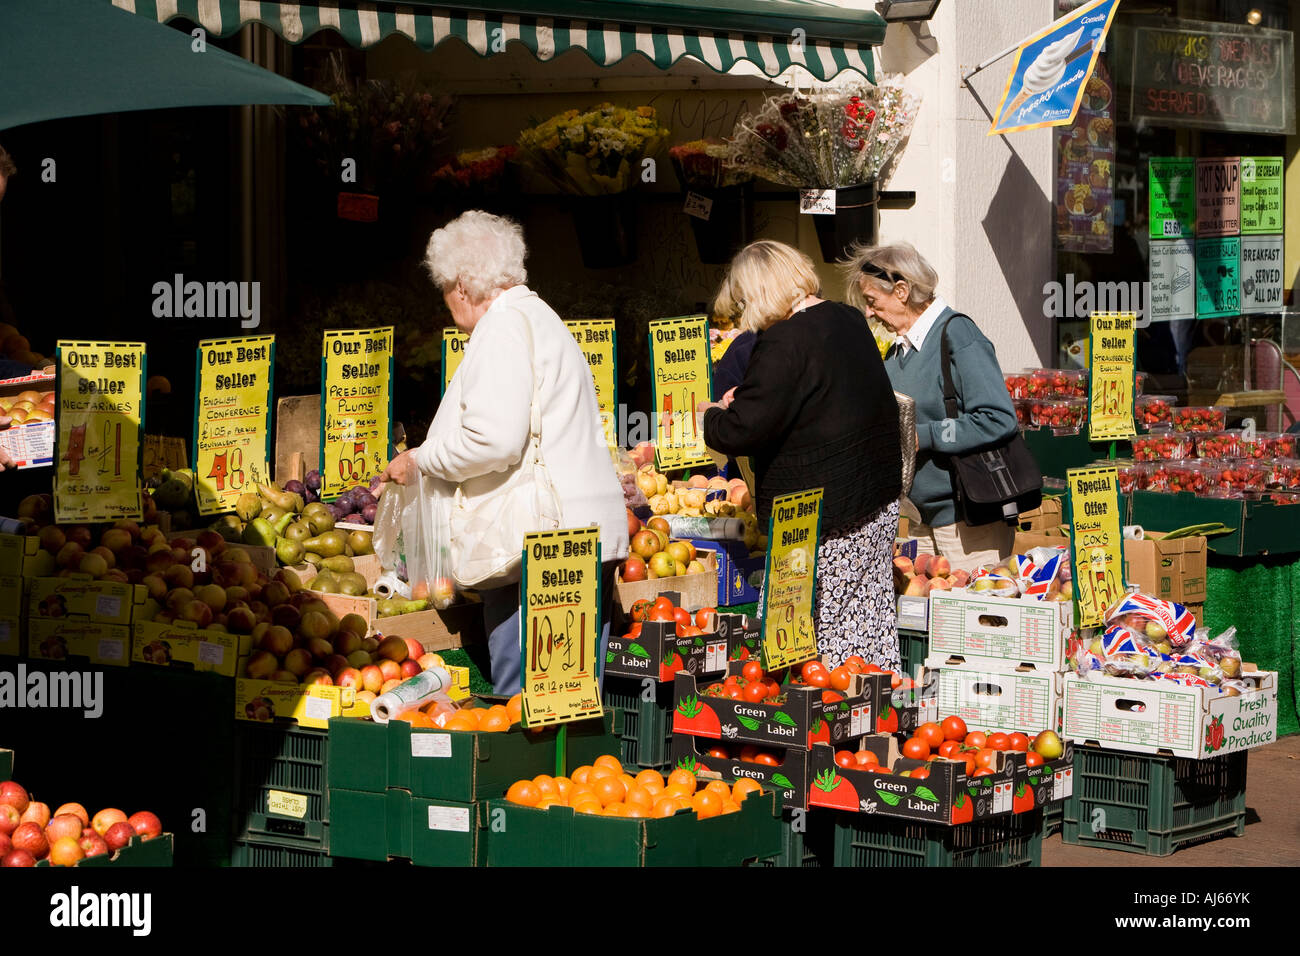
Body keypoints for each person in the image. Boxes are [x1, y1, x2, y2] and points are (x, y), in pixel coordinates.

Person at [379, 211, 629, 695]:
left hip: (532, 545)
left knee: (526, 704)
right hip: (575, 536)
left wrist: (420, 460)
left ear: (465, 286)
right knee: (570, 699)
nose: (449, 303)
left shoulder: (502, 329)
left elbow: (492, 439)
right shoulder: (540, 317)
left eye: (447, 288)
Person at [700, 240, 902, 669]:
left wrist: (714, 414)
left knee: (809, 642)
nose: (743, 311)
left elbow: (742, 429)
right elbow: (818, 399)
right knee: (866, 624)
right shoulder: (845, 318)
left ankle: (819, 727)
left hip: (822, 517)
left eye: (743, 299)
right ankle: (875, 719)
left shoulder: (784, 341)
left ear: (759, 292)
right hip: (875, 499)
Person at [844, 242, 1019, 572]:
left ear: (901, 290)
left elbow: (997, 418)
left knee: (969, 618)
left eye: (872, 302)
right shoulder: (898, 353)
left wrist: (921, 435)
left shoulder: (959, 335)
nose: (868, 313)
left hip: (968, 523)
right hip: (919, 521)